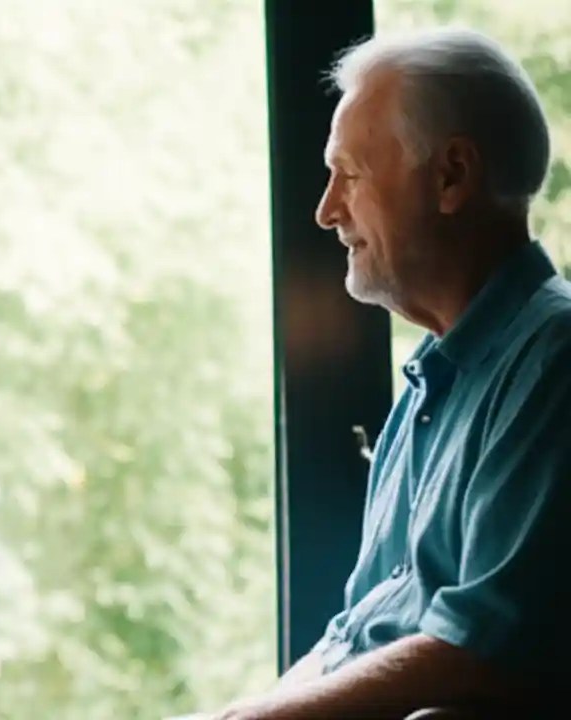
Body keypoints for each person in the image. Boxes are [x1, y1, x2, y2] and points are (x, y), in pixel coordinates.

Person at [205, 27, 571, 719]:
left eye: (351, 173)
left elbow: (476, 650)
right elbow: (353, 639)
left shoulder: (554, 362)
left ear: (451, 177)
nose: (326, 210)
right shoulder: (430, 389)